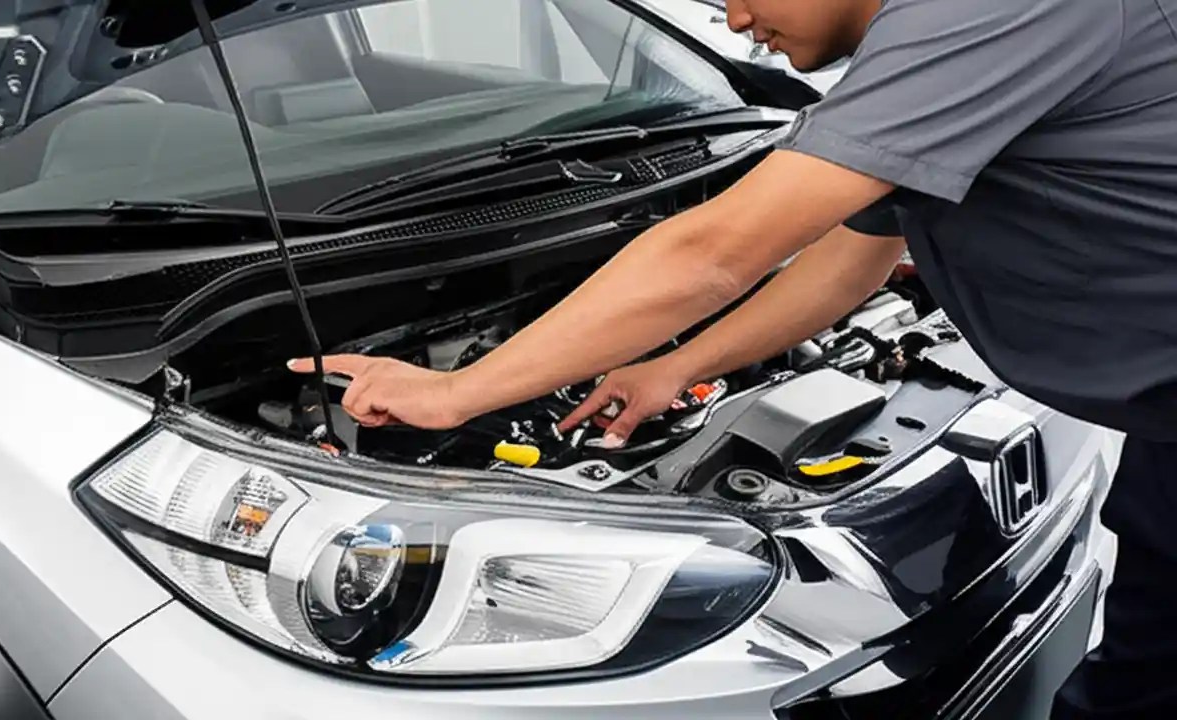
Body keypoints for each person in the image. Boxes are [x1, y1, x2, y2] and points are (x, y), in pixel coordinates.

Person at [289, 0, 1177, 715]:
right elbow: (848, 255)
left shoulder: (988, 10)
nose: (734, 19)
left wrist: (460, 394)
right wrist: (675, 368)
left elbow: (714, 250)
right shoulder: (925, 52)